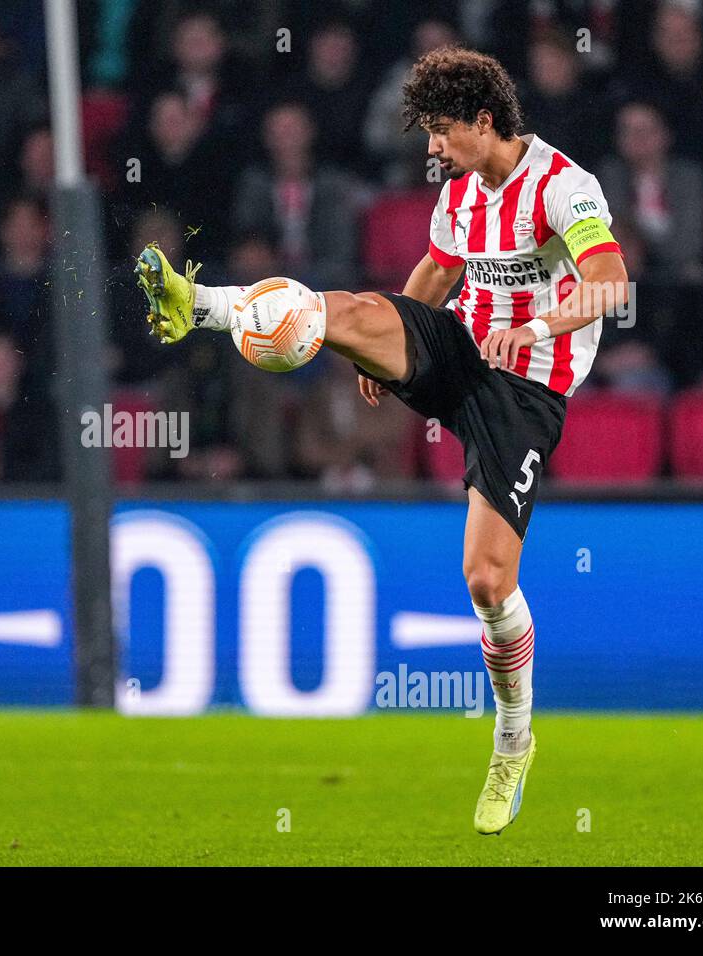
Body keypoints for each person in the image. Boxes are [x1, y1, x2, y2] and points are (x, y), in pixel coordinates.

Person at [135, 47, 629, 836]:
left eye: (440, 131)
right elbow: (437, 272)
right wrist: (384, 342)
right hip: (463, 351)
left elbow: (608, 282)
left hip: (528, 388)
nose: (431, 148)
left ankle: (513, 739)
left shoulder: (563, 186)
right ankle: (200, 301)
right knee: (355, 310)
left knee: (487, 582)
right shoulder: (460, 196)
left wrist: (536, 324)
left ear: (484, 121)